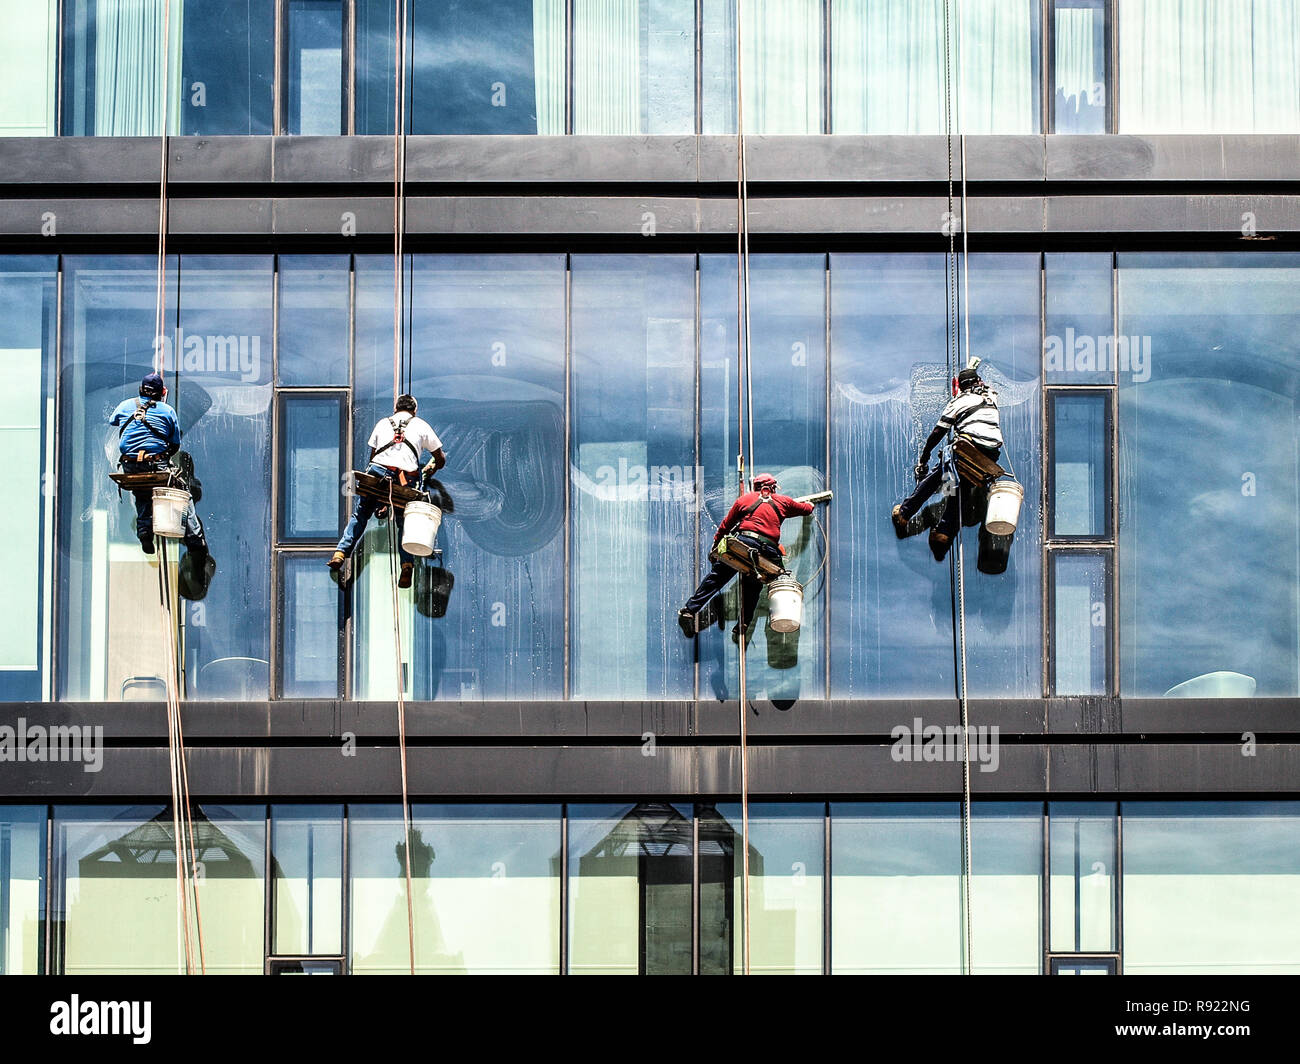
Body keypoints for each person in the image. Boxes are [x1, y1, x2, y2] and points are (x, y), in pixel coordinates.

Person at [329, 394, 447, 588]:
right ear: (414, 410)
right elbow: (439, 457)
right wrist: (434, 467)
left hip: (377, 473)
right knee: (405, 523)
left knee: (360, 516)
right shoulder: (421, 425)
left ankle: (340, 553)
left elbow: (374, 458)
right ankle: (407, 565)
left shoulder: (383, 423)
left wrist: (380, 500)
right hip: (404, 479)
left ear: (395, 409)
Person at [679, 473, 814, 642]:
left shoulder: (744, 500)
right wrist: (809, 504)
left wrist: (715, 546)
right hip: (766, 551)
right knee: (753, 586)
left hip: (744, 542)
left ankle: (689, 611)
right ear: (772, 487)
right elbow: (807, 509)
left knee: (716, 578)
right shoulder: (783, 501)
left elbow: (725, 526)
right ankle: (743, 624)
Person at [892, 361, 1003, 561]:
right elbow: (985, 387)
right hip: (990, 455)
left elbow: (938, 432)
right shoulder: (991, 397)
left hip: (969, 450)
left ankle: (905, 512)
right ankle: (943, 531)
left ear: (961, 388)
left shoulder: (959, 401)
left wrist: (924, 456)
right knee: (956, 486)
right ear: (978, 382)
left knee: (939, 474)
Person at [109, 371, 208, 559]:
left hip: (130, 465)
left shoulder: (125, 405)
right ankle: (195, 539)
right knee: (182, 493)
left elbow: (113, 420)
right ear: (162, 392)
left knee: (143, 493)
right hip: (156, 464)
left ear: (140, 389)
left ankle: (144, 530)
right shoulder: (167, 410)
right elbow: (175, 442)